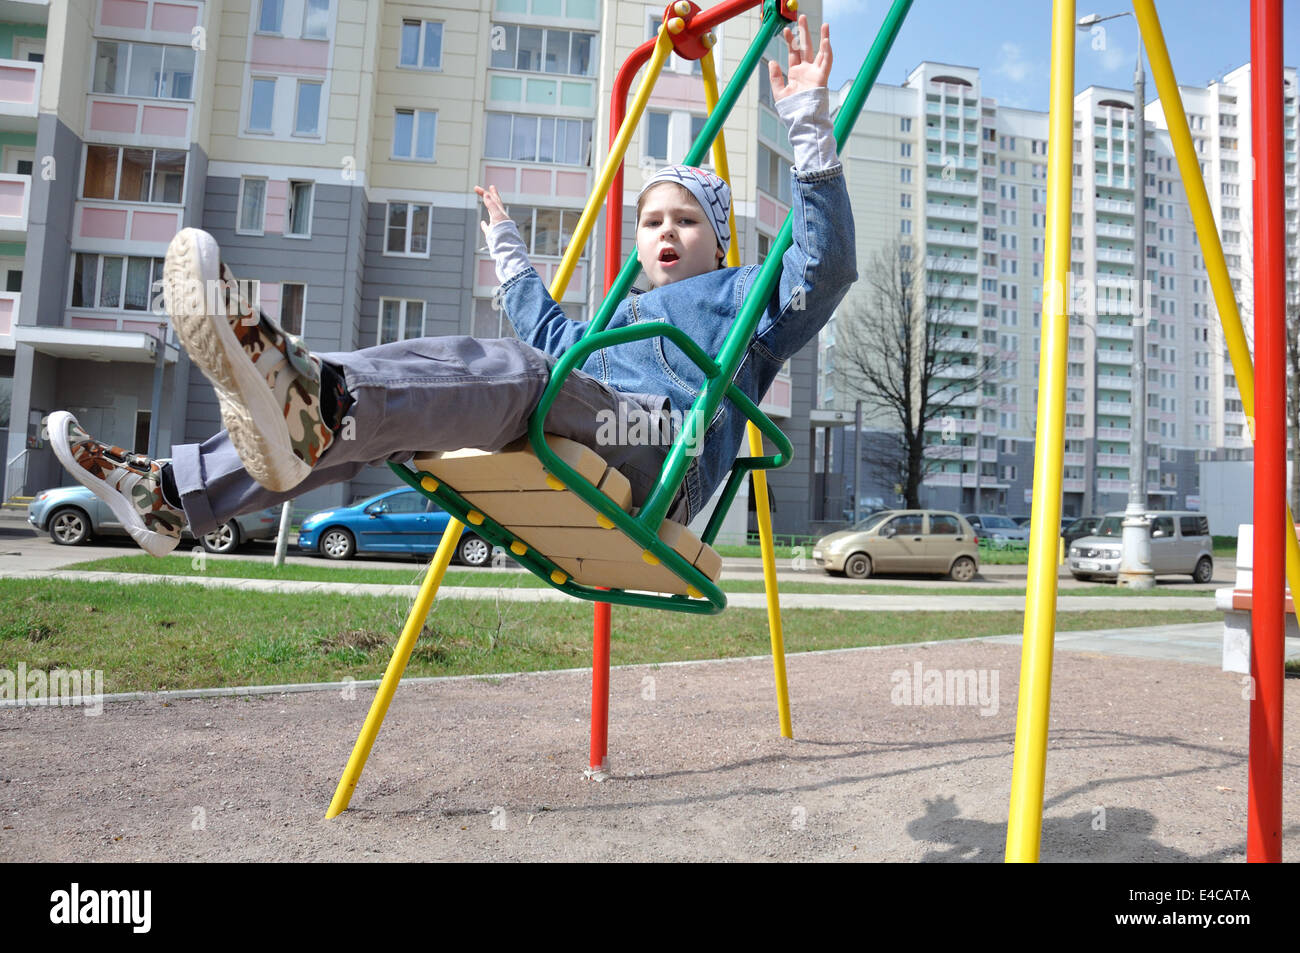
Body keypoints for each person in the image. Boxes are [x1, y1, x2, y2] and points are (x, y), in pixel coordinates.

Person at [48, 15, 856, 559]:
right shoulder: (627, 312)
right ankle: (174, 493)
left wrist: (810, 128)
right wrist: (507, 250)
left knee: (518, 378)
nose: (665, 234)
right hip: (593, 418)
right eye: (650, 223)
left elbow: (823, 272)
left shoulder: (743, 301)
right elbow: (552, 335)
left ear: (720, 242)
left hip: (660, 456)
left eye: (686, 221)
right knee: (409, 413)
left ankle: (319, 392)